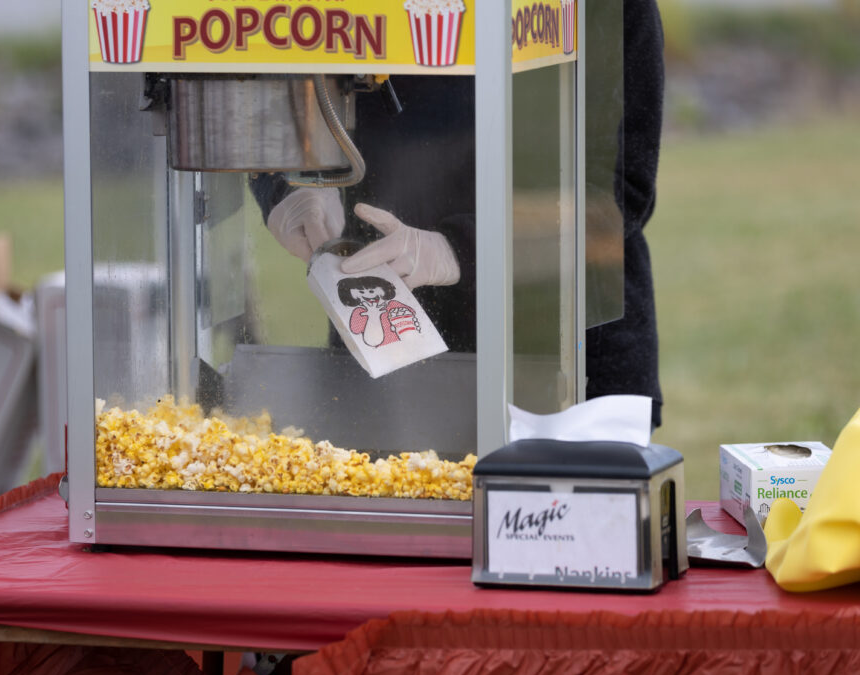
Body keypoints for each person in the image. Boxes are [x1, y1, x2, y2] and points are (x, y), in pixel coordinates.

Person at [252, 0, 665, 427]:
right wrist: (288, 184)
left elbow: (617, 190)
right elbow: (252, 65)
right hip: (381, 349)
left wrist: (461, 249)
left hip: (566, 362)